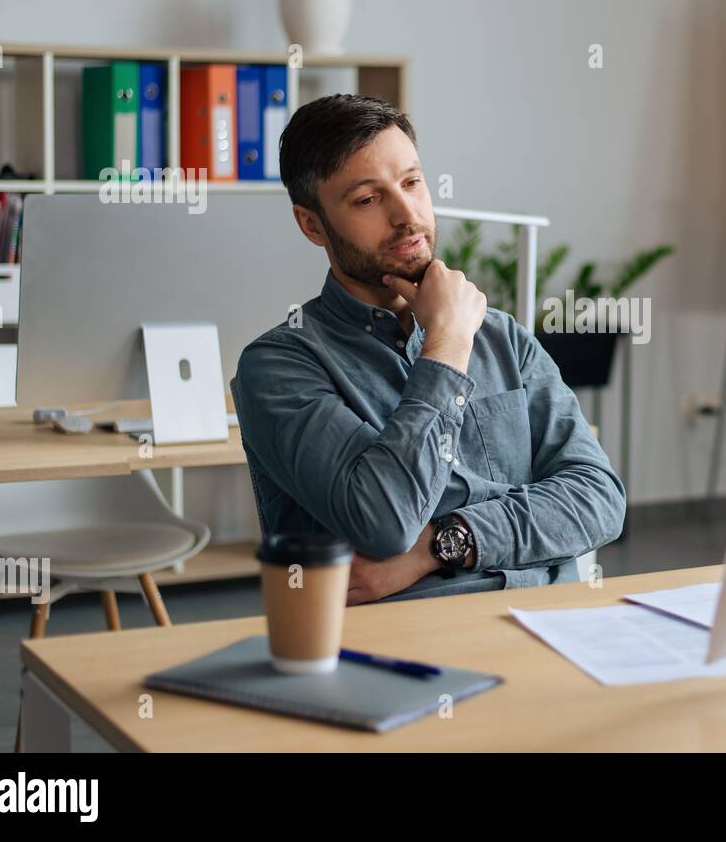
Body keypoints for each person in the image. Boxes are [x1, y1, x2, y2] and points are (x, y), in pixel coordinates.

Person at [232, 95, 625, 605]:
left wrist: (442, 545)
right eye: (368, 199)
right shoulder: (280, 364)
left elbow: (599, 499)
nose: (406, 215)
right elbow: (385, 522)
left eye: (412, 183)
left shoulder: (502, 336)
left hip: (548, 622)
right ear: (312, 225)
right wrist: (448, 344)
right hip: (400, 649)